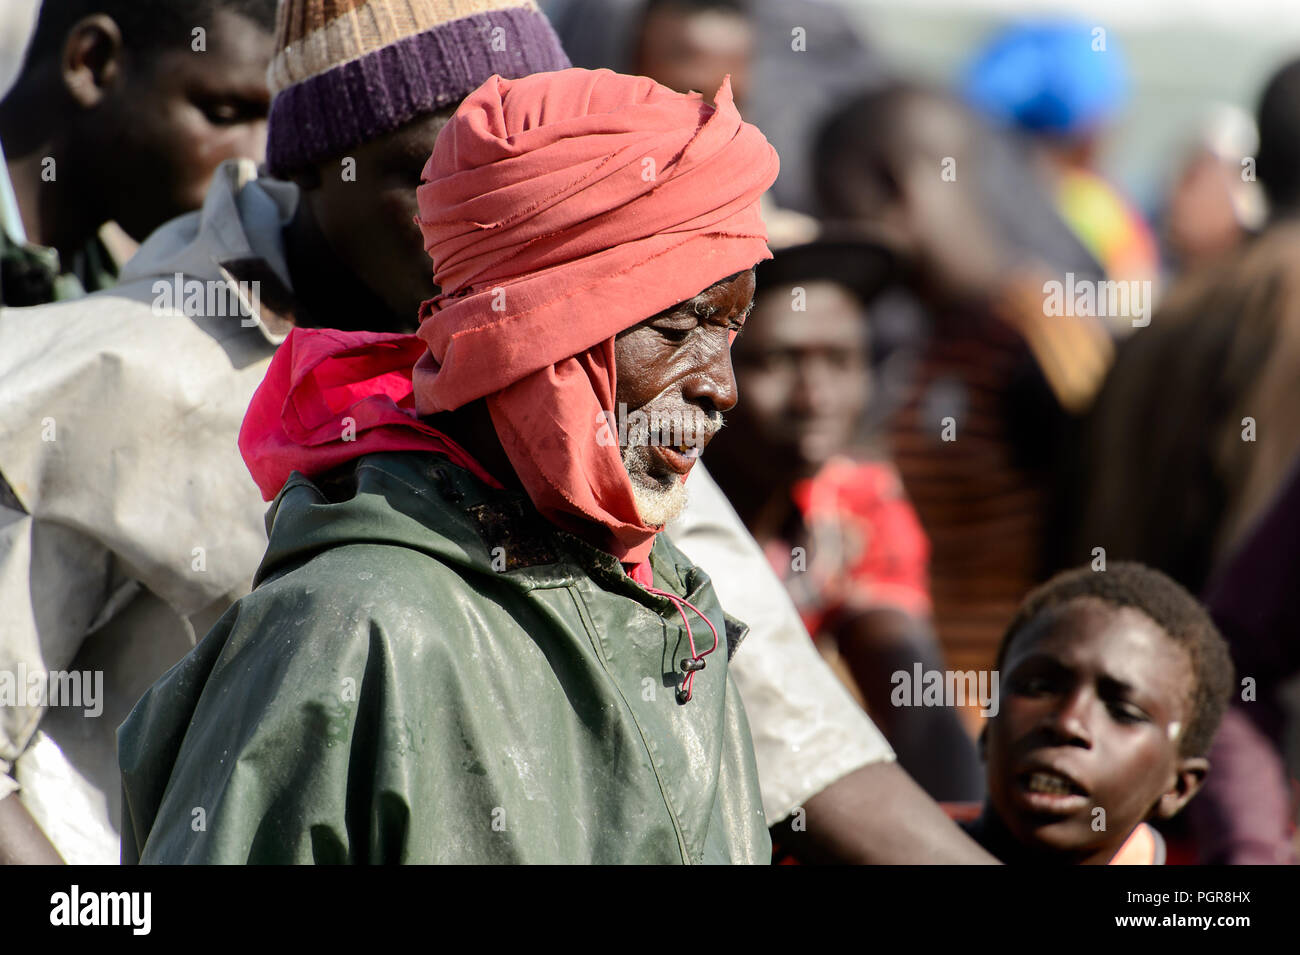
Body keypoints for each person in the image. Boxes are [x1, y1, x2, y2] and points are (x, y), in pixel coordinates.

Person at [2, 0, 993, 865]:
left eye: (526, 183)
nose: (469, 216)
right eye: (428, 174)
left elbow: (787, 719)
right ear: (315, 167)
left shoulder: (617, 455)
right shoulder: (125, 379)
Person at [119, 66, 781, 864]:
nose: (722, 388)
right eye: (676, 331)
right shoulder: (350, 632)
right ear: (540, 332)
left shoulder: (671, 605)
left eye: (731, 332)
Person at [814, 83, 1114, 689]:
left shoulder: (1045, 332)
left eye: (842, 211)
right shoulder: (938, 341)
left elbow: (1106, 542)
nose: (846, 242)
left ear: (894, 186)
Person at [703, 237, 982, 801]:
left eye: (841, 360)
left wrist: (961, 825)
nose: (814, 397)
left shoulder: (855, 502)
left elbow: (910, 686)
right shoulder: (659, 516)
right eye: (776, 361)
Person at [0, 0, 276, 305]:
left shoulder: (105, 290)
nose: (257, 163)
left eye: (273, 124)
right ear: (92, 62)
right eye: (223, 114)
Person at [964, 563, 1233, 865]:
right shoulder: (903, 839)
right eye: (1039, 687)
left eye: (1123, 712)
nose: (1068, 723)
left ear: (1177, 788)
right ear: (988, 723)